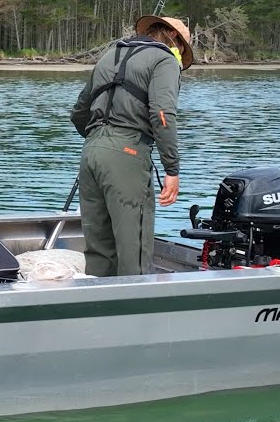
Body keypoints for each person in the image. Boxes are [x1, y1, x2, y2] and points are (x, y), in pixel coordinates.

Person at [69, 15, 193, 277]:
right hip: (127, 154)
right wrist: (172, 169)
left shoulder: (109, 55)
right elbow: (163, 116)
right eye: (182, 49)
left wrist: (100, 142)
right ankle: (137, 314)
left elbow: (79, 113)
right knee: (133, 251)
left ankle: (99, 310)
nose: (181, 57)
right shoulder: (164, 59)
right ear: (174, 38)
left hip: (91, 152)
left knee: (99, 250)